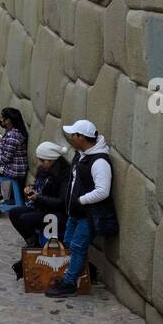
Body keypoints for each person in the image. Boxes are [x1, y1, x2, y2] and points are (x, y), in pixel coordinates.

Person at [46, 120, 118, 300]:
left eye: (73, 135)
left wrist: (81, 200)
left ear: (81, 138)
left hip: (88, 214)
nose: (70, 138)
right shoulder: (82, 155)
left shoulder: (99, 161)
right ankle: (81, 273)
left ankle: (69, 283)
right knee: (70, 242)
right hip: (76, 212)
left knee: (77, 247)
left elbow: (103, 191)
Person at [8, 141, 71, 277]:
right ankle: (33, 242)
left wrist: (38, 198)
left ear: (52, 160)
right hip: (42, 207)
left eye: (43, 160)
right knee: (14, 213)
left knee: (26, 219)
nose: (40, 163)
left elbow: (62, 202)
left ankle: (35, 246)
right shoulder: (44, 170)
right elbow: (39, 187)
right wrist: (30, 189)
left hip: (57, 214)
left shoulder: (64, 175)